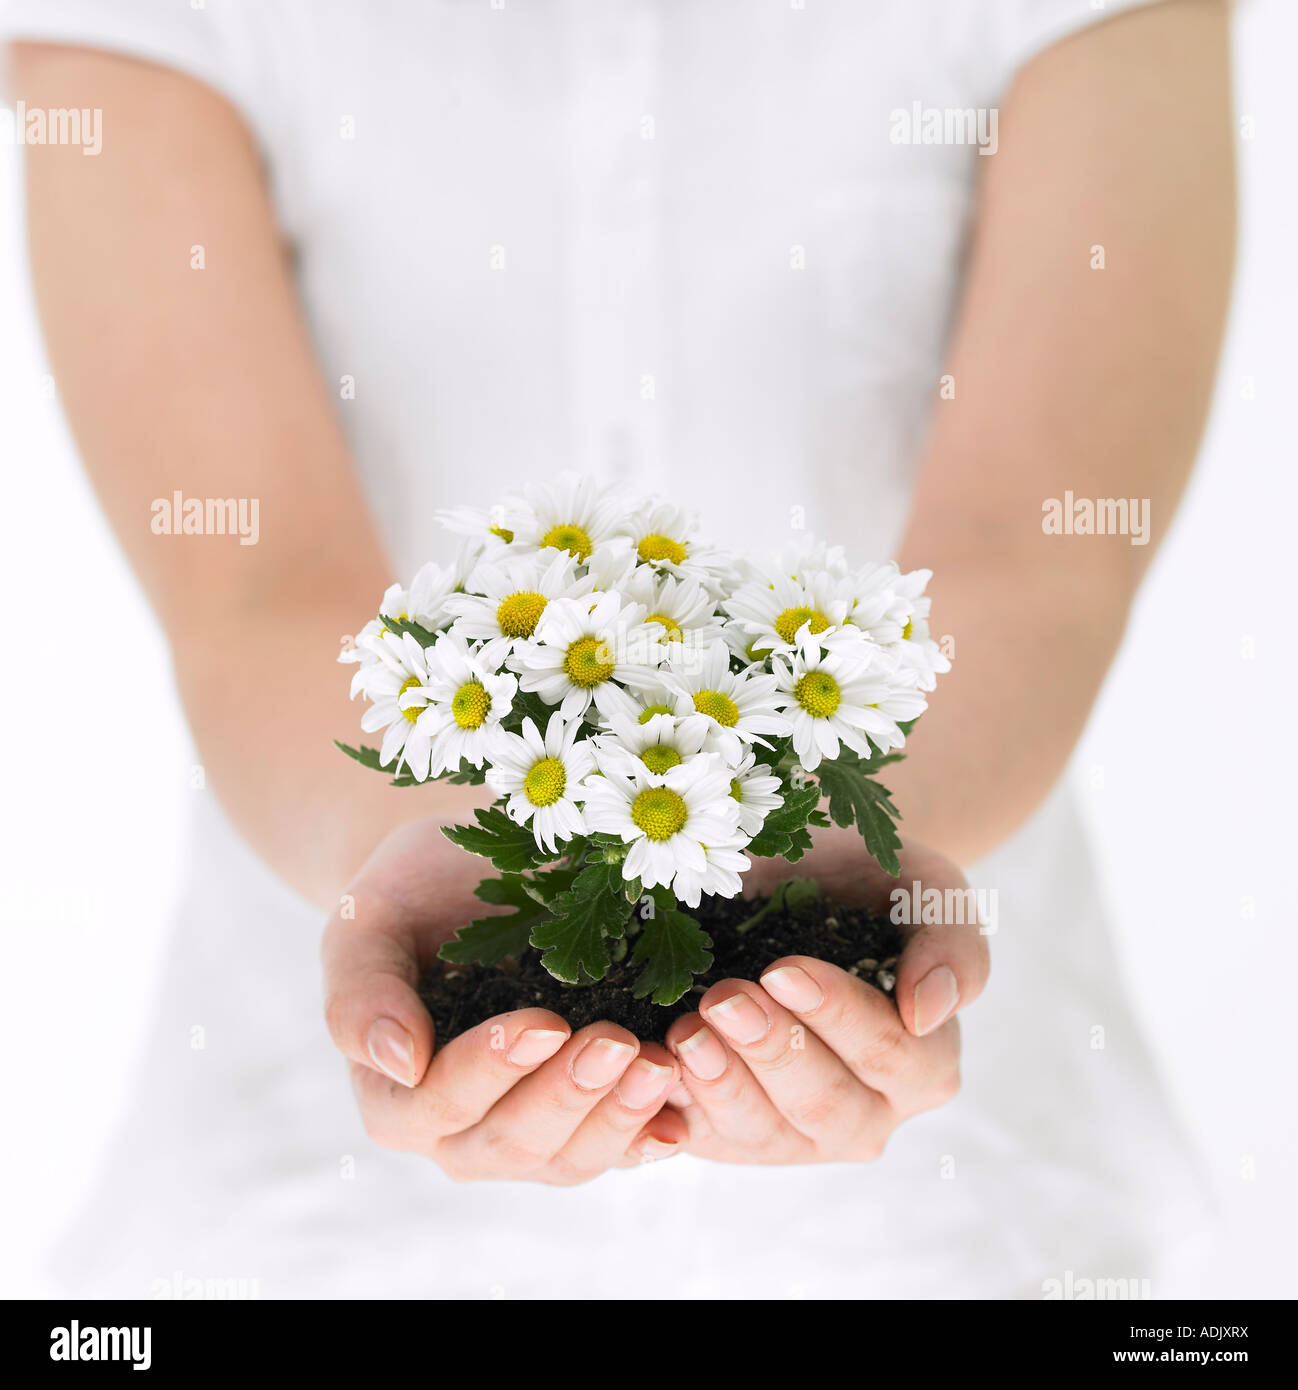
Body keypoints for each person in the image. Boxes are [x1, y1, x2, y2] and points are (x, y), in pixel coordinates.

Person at [3, 0, 1234, 1298]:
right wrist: (421, 842)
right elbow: (255, 583)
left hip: (959, 1211)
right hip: (321, 1211)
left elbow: (1039, 551)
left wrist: (852, 848)